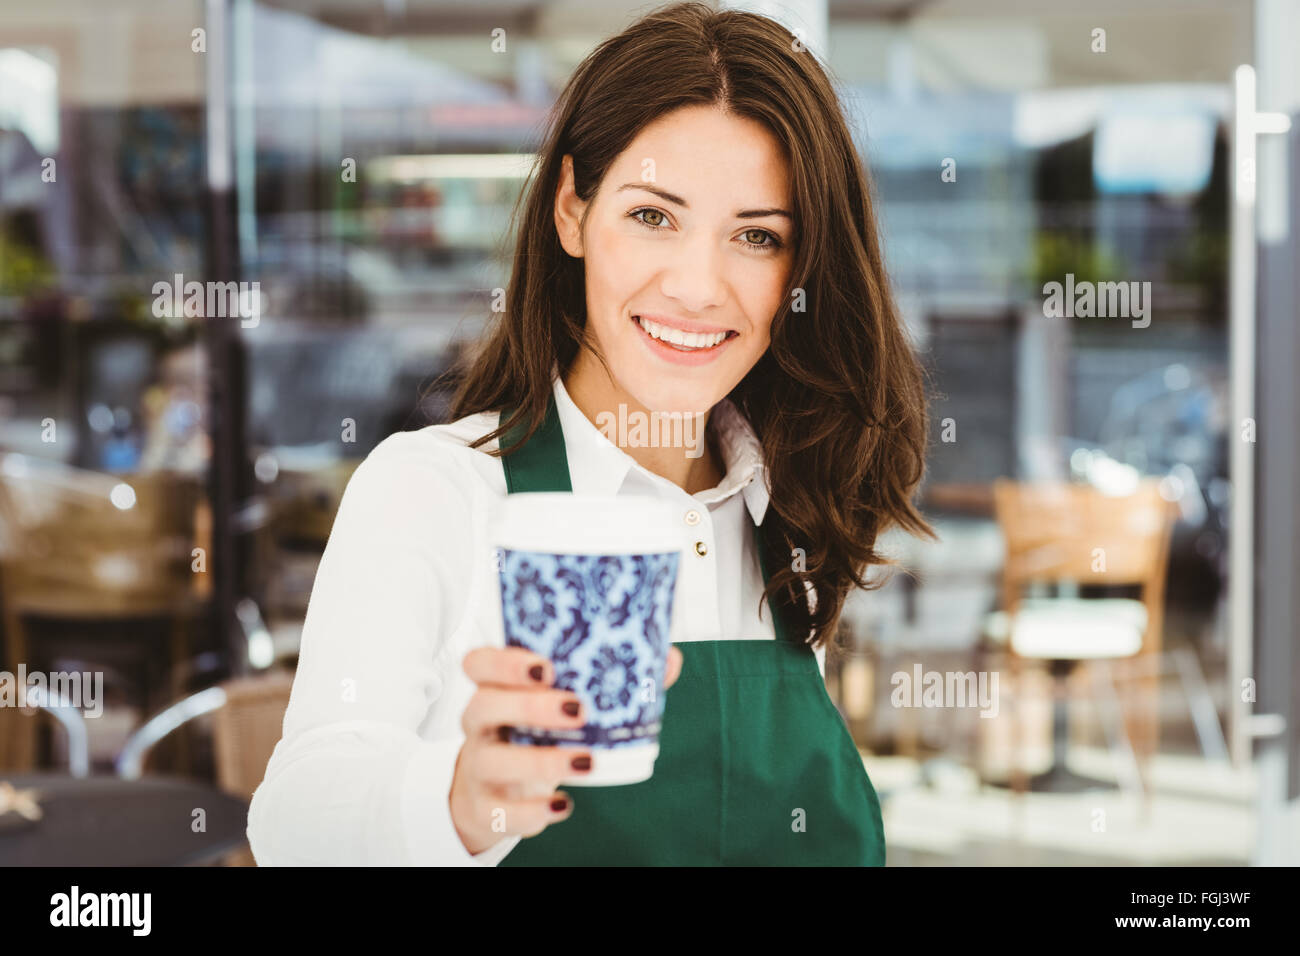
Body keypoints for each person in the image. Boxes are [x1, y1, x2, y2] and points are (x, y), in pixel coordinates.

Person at [246, 0, 933, 866]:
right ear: (573, 209)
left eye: (756, 237)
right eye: (653, 216)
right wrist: (462, 802)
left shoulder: (786, 513)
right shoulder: (437, 492)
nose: (697, 286)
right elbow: (294, 823)